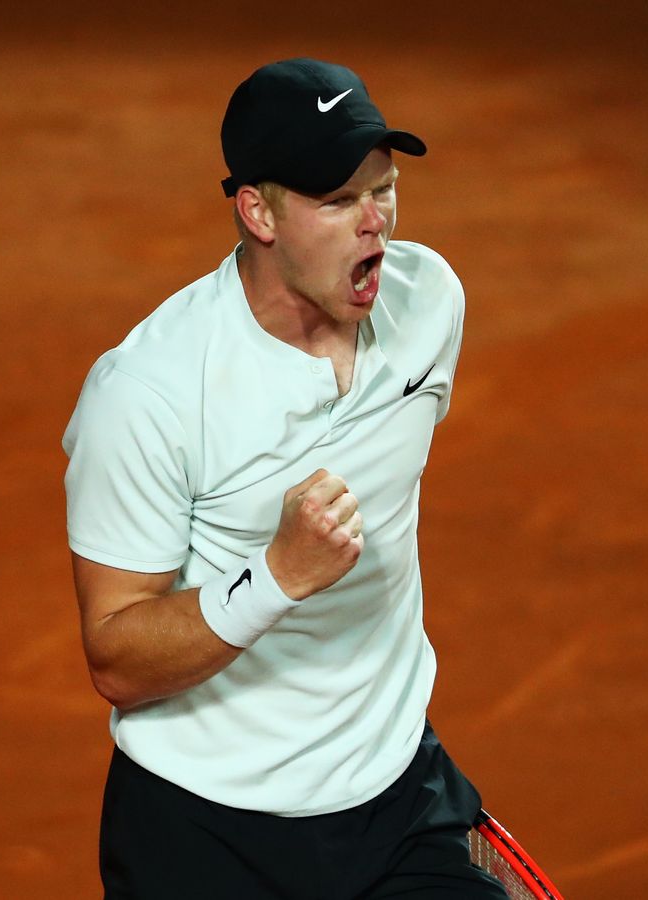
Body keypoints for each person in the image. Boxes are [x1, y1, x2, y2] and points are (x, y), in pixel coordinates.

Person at [62, 57, 506, 899]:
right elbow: (116, 656)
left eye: (384, 188)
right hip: (205, 834)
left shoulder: (430, 303)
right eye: (337, 203)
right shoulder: (149, 393)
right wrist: (274, 579)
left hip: (396, 798)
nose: (374, 222)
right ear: (257, 211)